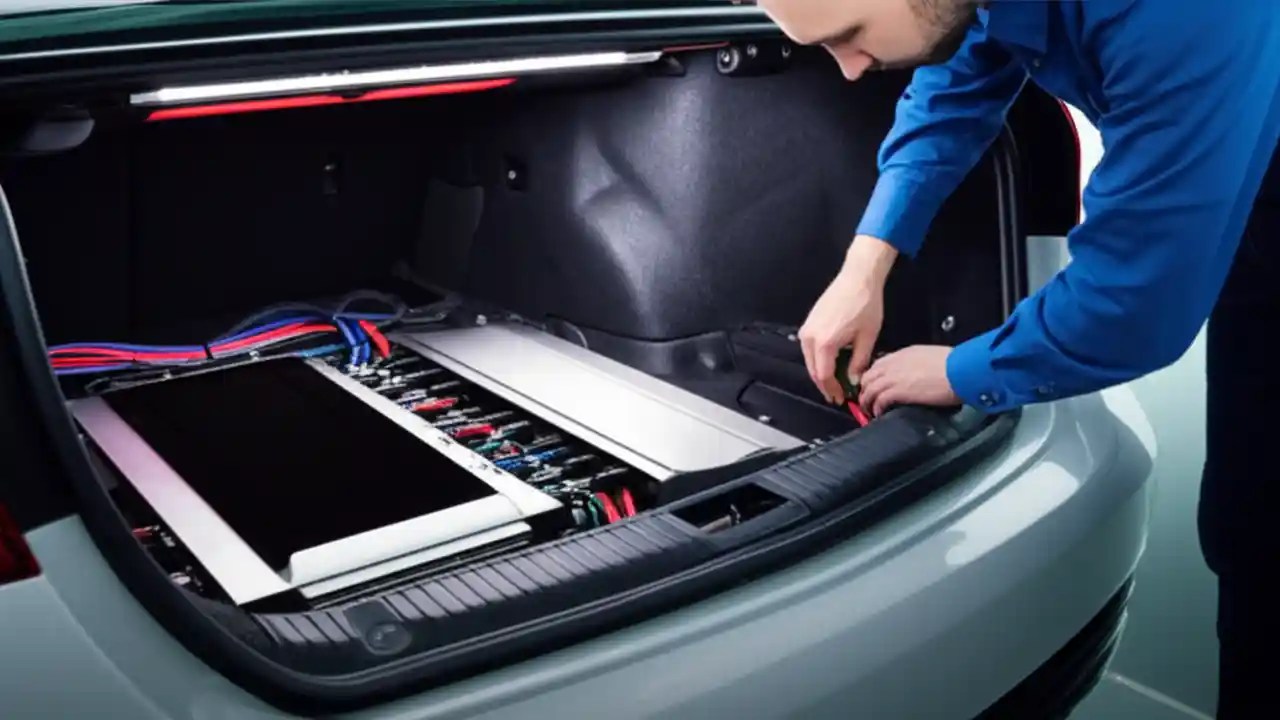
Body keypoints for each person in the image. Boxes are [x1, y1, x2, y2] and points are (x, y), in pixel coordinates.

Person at [755, 0, 1279, 716]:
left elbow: (1132, 305)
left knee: (1266, 546)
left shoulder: (1175, 11)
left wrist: (958, 371)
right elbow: (956, 78)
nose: (847, 70)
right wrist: (864, 266)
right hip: (1251, 203)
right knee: (1245, 525)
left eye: (846, 36)